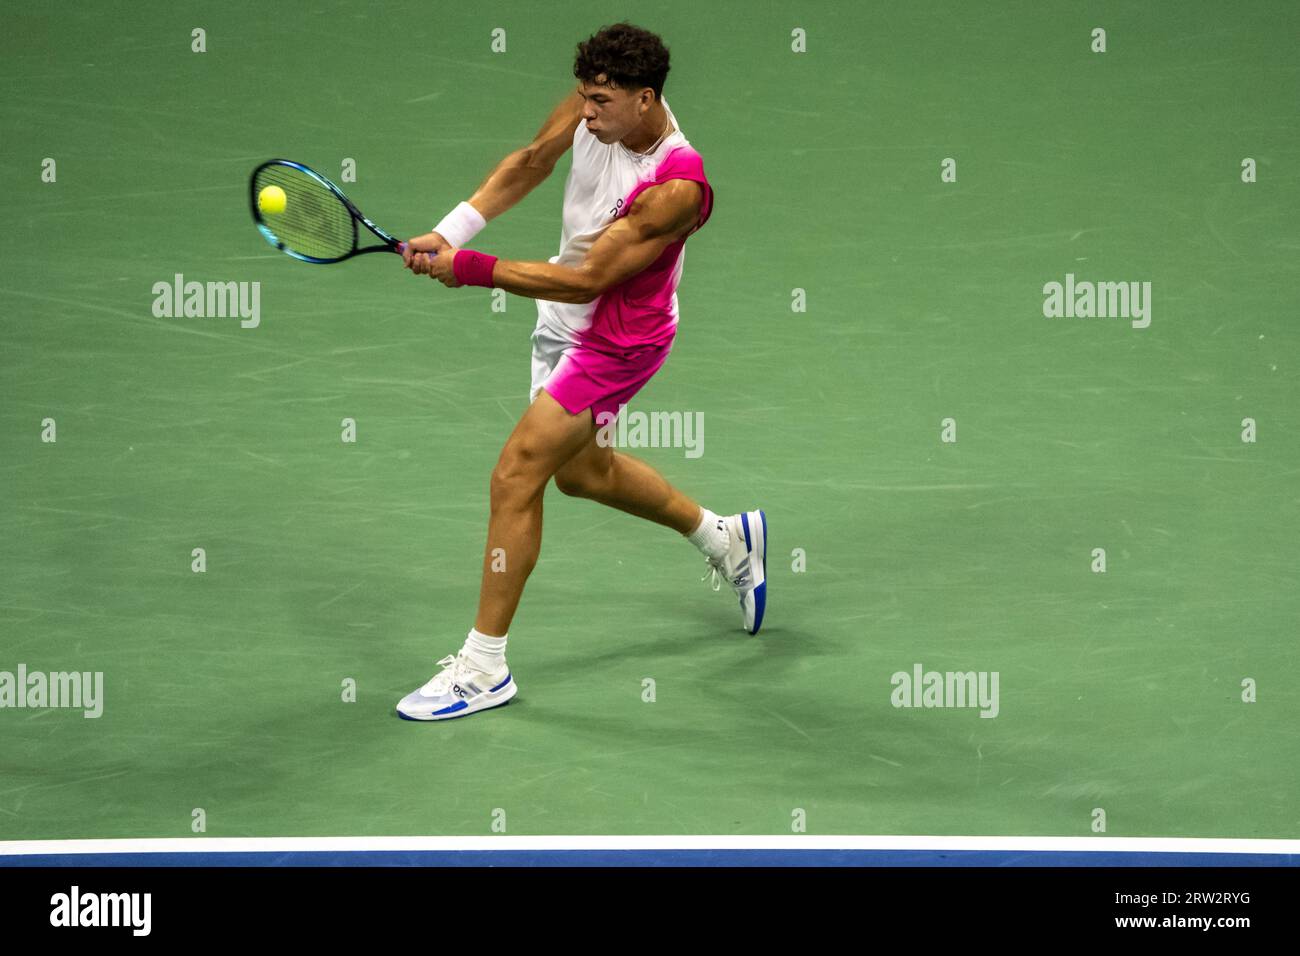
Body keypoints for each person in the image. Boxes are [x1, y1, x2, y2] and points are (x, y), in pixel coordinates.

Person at [395, 22, 765, 721]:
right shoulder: (592, 111)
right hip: (561, 321)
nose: (585, 114)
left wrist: (469, 270)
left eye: (600, 102)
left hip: (616, 341)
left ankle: (483, 668)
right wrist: (452, 232)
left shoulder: (678, 187)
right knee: (582, 473)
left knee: (516, 473)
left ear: (647, 99)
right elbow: (533, 159)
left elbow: (590, 278)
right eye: (584, 98)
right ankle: (724, 537)